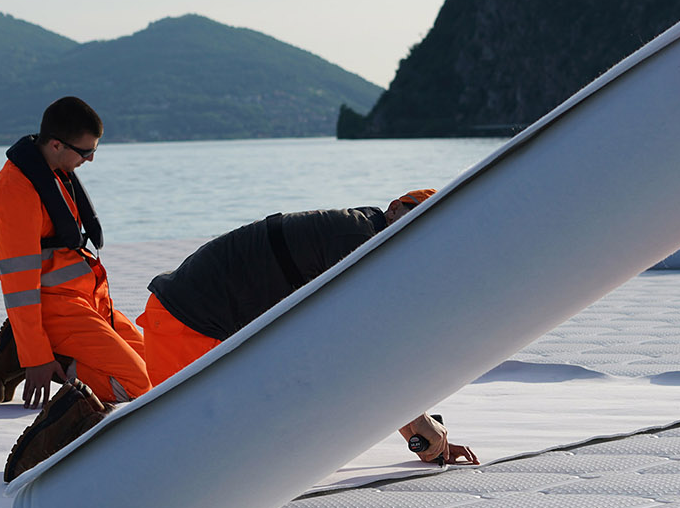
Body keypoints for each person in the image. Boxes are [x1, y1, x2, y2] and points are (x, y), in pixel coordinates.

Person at [137, 189, 478, 466]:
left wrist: (416, 429)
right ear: (393, 209)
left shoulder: (363, 238)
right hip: (185, 327)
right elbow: (364, 354)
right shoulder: (356, 242)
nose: (417, 234)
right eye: (415, 218)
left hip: (203, 327)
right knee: (196, 459)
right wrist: (417, 424)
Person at [0, 97, 151, 479]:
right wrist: (37, 357)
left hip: (87, 300)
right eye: (86, 152)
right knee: (136, 385)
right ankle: (37, 358)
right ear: (56, 144)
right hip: (53, 305)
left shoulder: (54, 170)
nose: (90, 160)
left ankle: (24, 351)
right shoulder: (15, 191)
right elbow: (19, 286)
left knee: (159, 372)